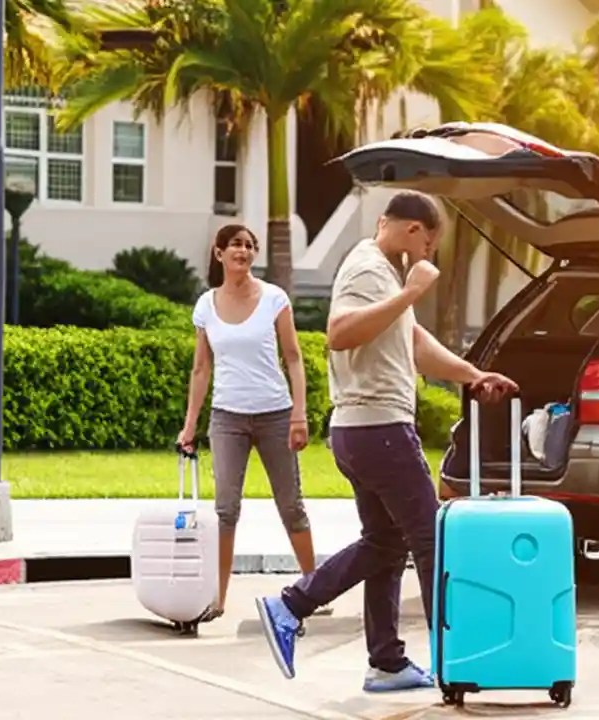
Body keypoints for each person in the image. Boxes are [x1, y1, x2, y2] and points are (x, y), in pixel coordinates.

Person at [254, 191, 518, 692]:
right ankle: (457, 662)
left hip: (363, 431)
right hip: (379, 430)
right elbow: (338, 333)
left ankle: (387, 662)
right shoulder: (369, 267)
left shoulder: (383, 271)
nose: (429, 255)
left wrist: (472, 375)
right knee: (427, 539)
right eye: (431, 243)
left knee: (387, 542)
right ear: (414, 230)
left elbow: (415, 344)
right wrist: (411, 292)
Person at [178, 224, 323, 622]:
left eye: (248, 245)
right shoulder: (206, 305)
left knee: (291, 505)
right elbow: (200, 368)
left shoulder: (274, 298)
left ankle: (315, 588)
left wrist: (299, 413)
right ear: (219, 253)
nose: (242, 250)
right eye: (235, 245)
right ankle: (218, 599)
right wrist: (190, 425)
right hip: (227, 417)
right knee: (225, 509)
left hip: (275, 414)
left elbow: (293, 357)